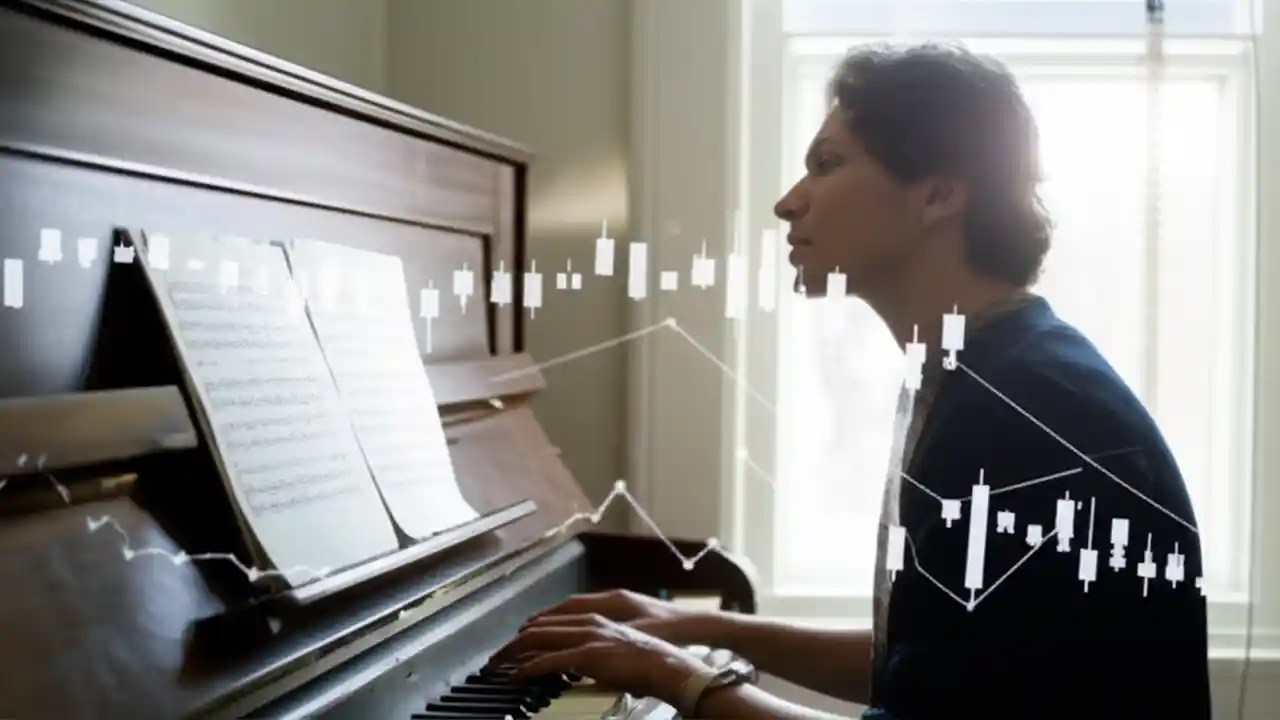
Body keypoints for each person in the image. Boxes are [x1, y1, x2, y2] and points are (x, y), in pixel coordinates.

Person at [490, 42, 1211, 719]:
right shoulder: (985, 371)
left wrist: (677, 676)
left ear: (938, 195)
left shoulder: (1024, 412)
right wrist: (700, 627)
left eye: (827, 164)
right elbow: (933, 664)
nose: (789, 202)